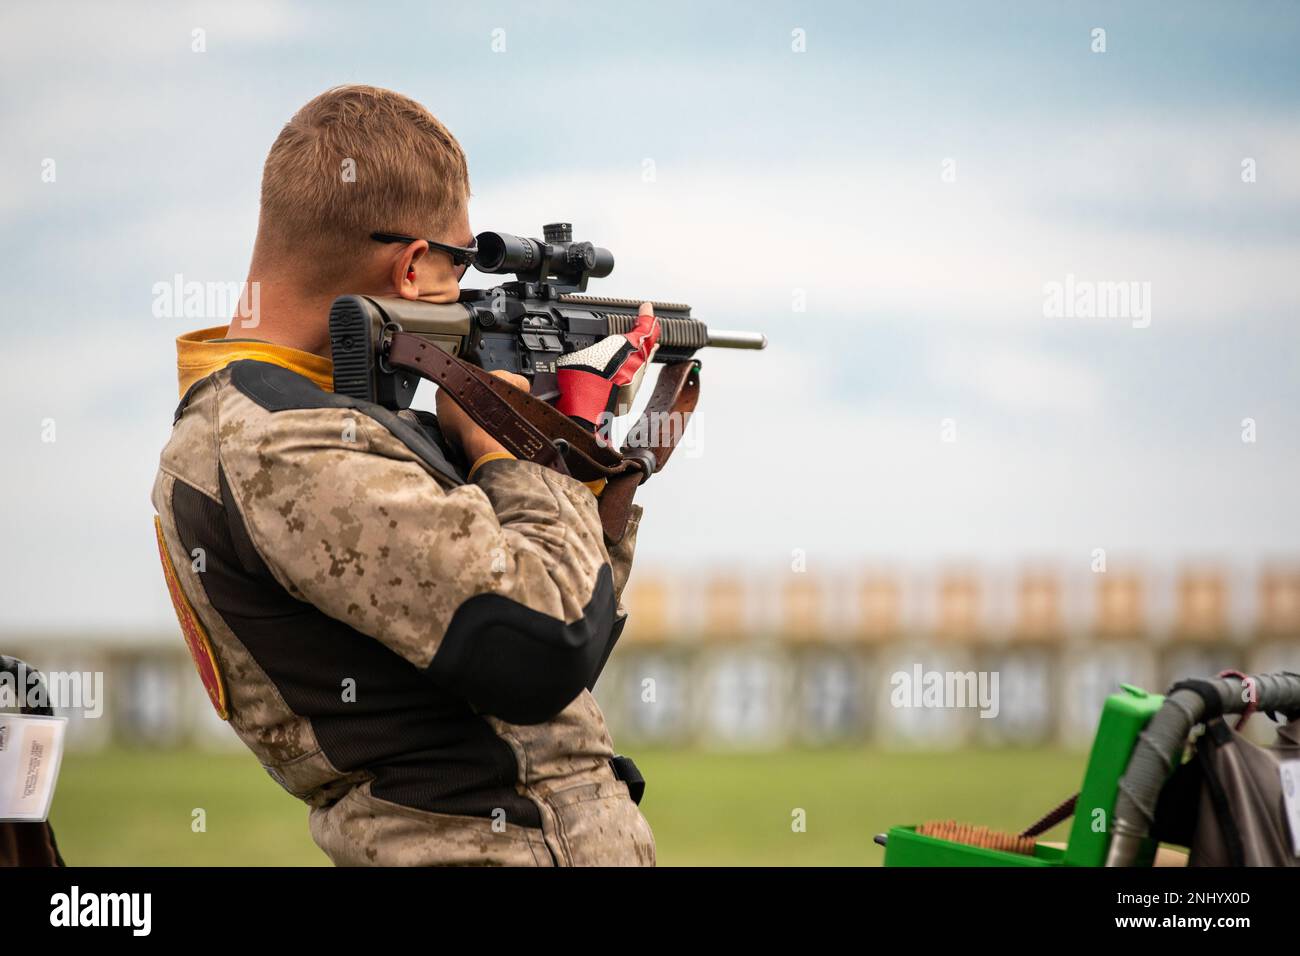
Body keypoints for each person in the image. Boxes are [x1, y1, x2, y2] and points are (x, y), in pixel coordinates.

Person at [151, 85, 660, 866]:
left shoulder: (331, 422)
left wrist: (574, 452)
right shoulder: (282, 444)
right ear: (416, 267)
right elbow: (540, 644)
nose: (466, 292)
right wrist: (511, 448)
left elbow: (575, 623)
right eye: (462, 263)